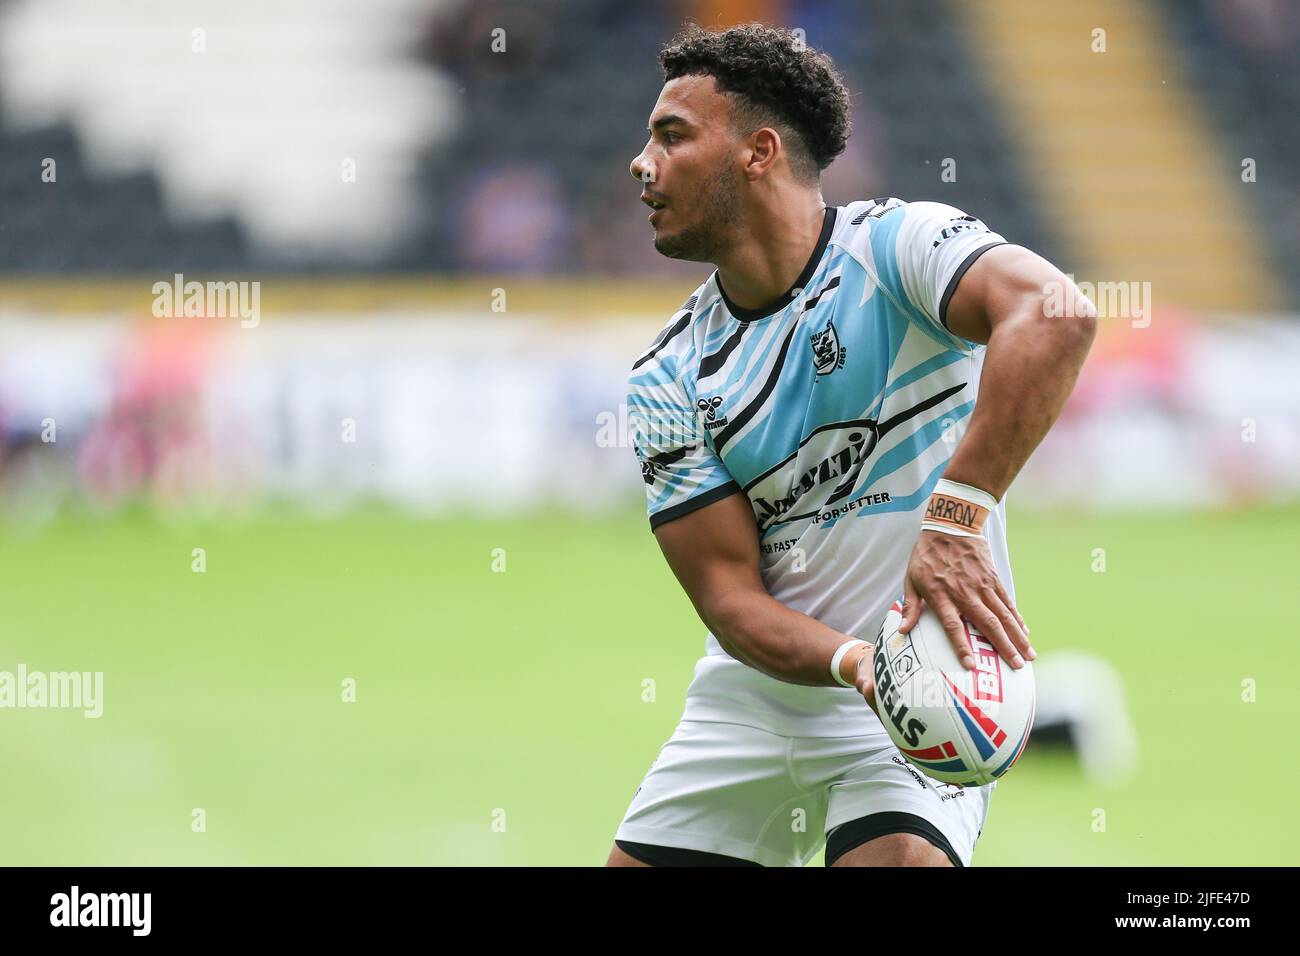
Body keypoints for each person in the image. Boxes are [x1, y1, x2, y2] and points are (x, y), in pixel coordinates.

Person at [607, 22, 1097, 867]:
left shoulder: (896, 247)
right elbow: (729, 598)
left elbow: (1057, 313)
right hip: (758, 706)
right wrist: (859, 664)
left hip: (923, 695)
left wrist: (957, 515)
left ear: (758, 152)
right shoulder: (664, 378)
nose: (640, 164)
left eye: (671, 136)